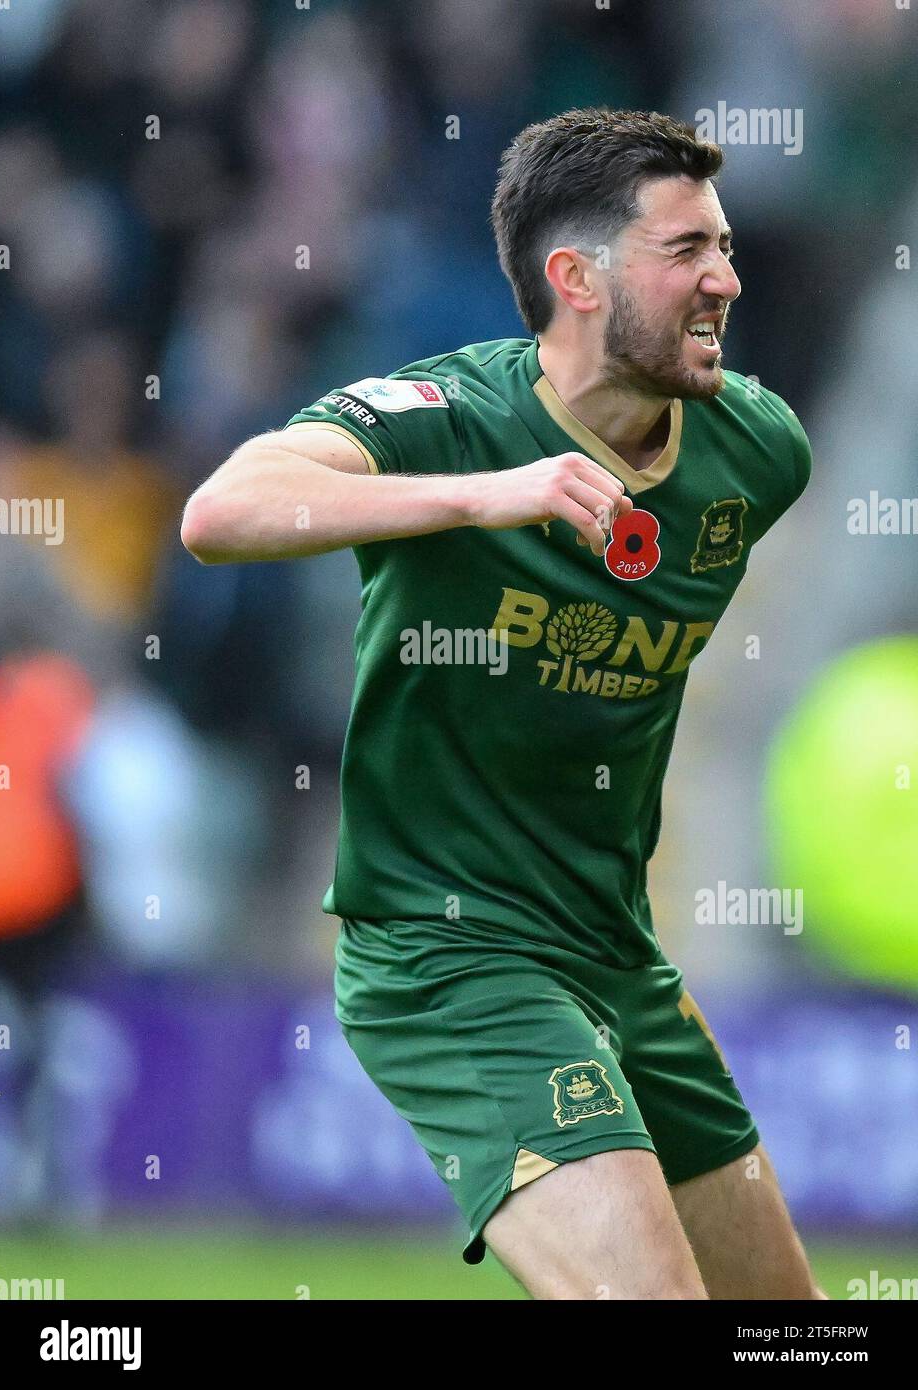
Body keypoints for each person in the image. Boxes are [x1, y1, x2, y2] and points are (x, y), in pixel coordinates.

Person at [181, 108, 824, 1300]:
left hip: (617, 955)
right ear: (574, 277)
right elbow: (221, 513)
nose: (725, 279)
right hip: (449, 949)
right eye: (685, 250)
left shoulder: (758, 450)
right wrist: (484, 499)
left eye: (723, 246)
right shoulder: (453, 419)